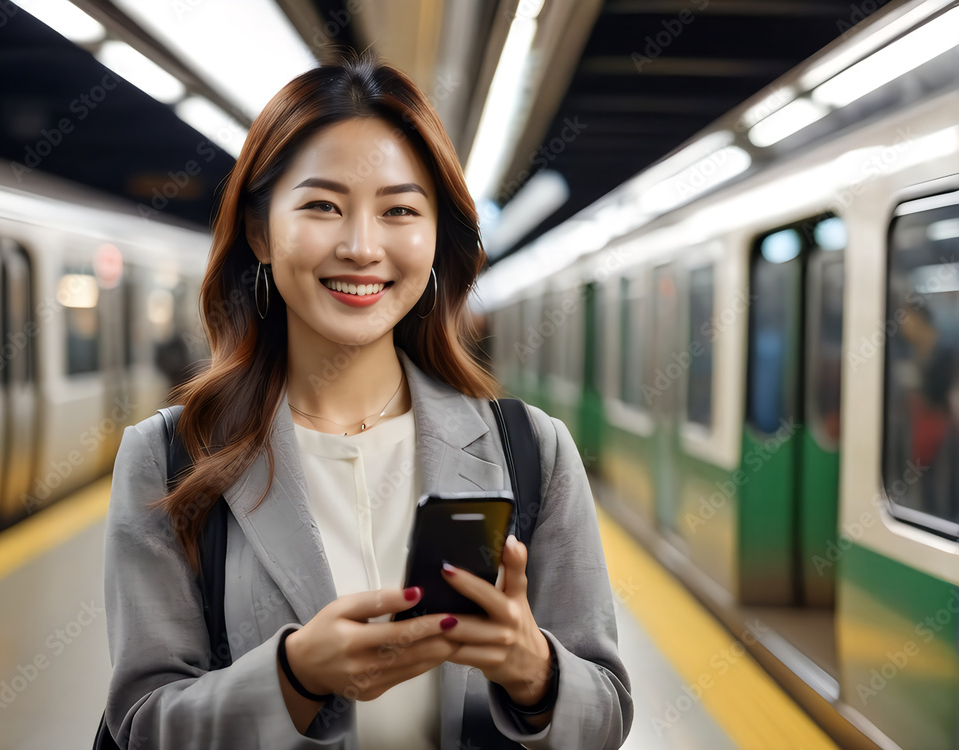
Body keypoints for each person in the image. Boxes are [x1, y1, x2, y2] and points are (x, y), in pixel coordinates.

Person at [102, 53, 632, 749]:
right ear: (260, 232)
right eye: (322, 206)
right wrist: (293, 675)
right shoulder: (168, 458)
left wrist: (533, 669)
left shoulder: (531, 450)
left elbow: (607, 715)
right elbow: (143, 725)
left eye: (399, 211)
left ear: (436, 236)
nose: (361, 246)